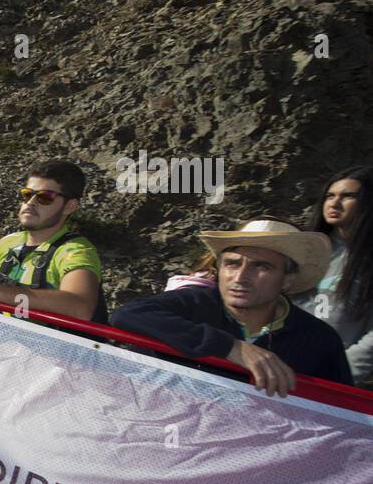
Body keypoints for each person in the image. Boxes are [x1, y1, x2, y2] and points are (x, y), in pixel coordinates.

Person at [112, 219, 350, 394]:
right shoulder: (193, 302)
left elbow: (344, 412)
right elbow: (126, 314)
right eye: (232, 264)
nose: (240, 277)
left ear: (287, 279)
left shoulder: (320, 340)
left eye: (261, 267)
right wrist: (230, 347)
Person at [0, 160, 106, 323]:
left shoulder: (75, 251)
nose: (30, 202)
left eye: (45, 197)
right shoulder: (6, 244)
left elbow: (80, 308)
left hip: (51, 347)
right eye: (27, 194)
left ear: (69, 206)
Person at [295, 166, 373, 384]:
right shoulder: (302, 250)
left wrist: (338, 372)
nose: (335, 203)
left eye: (348, 196)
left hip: (330, 377)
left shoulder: (367, 262)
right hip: (278, 363)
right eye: (330, 195)